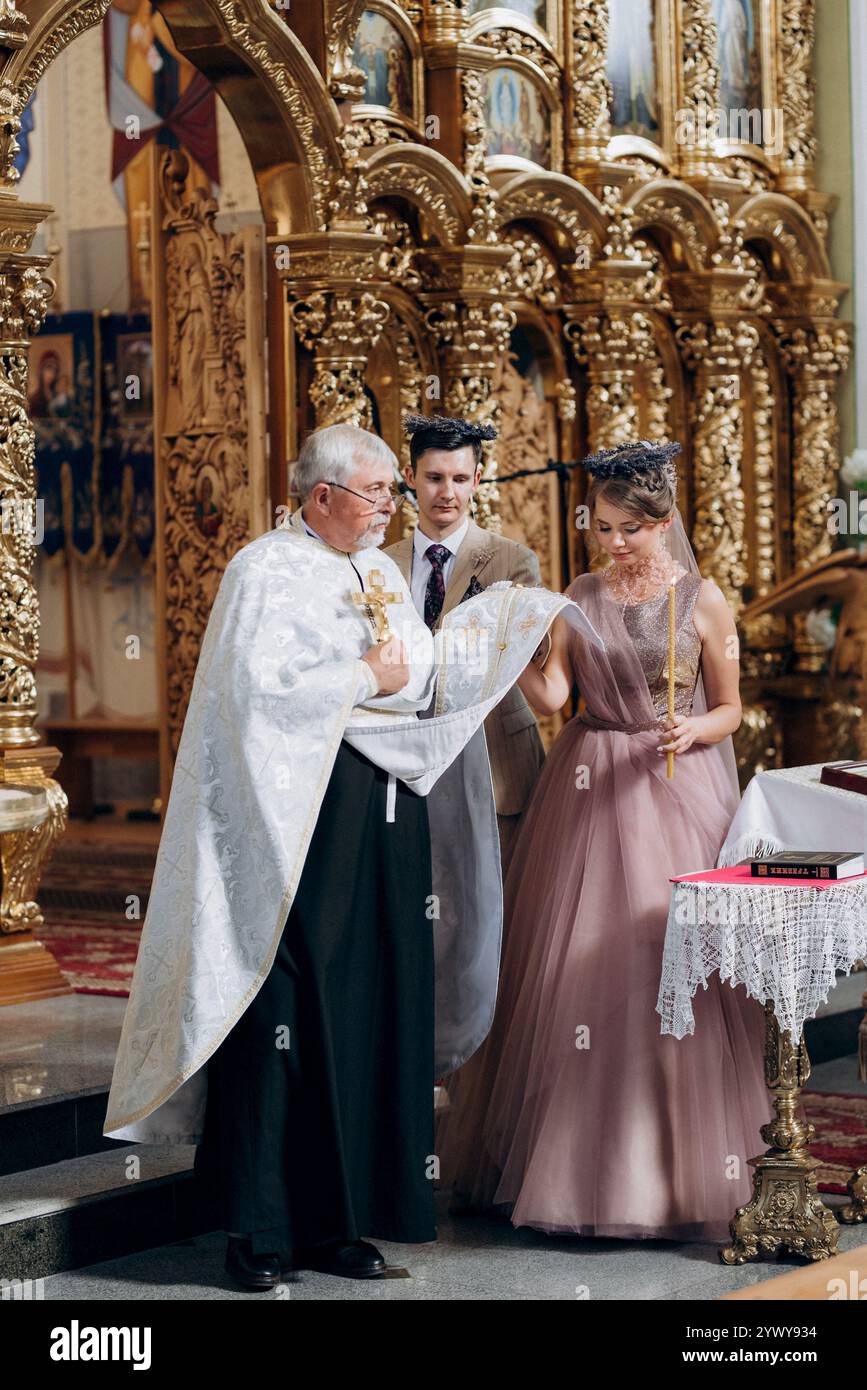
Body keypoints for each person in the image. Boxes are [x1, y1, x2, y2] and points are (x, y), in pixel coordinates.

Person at [102, 421, 598, 1289]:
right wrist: (368, 677)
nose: (389, 512)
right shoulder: (264, 571)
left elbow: (419, 675)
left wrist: (486, 641)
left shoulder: (373, 569)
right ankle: (258, 1234)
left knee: (371, 1009)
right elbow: (259, 699)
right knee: (283, 1020)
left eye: (389, 495)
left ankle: (343, 1222)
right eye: (377, 495)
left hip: (382, 820)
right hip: (293, 832)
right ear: (322, 495)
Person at [434, 439, 774, 1243]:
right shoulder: (579, 592)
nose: (612, 543)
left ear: (663, 523)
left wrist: (696, 728)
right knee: (571, 974)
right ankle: (566, 1171)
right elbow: (555, 695)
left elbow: (730, 706)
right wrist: (509, 642)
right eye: (603, 527)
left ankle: (668, 1175)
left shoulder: (704, 599)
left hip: (672, 785)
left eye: (629, 529)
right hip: (585, 784)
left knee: (664, 966)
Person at [386, 414, 544, 868]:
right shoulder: (377, 564)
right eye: (434, 478)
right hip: (406, 756)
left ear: (477, 479)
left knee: (499, 903)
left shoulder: (513, 562)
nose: (446, 493)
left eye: (459, 478)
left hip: (495, 754)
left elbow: (529, 657)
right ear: (410, 477)